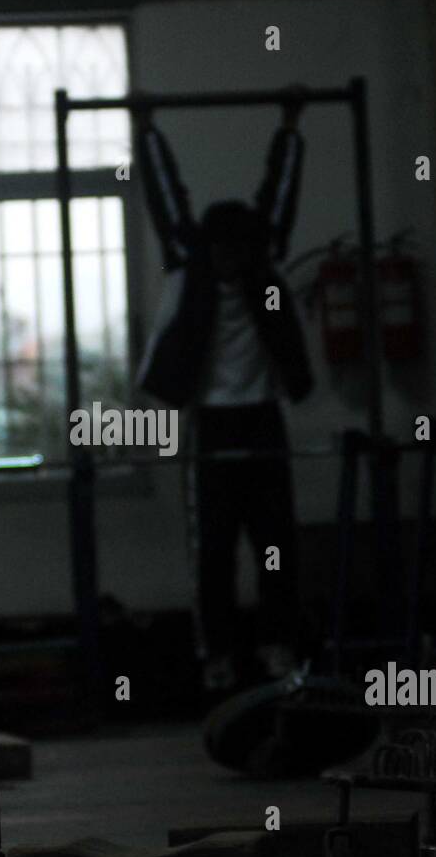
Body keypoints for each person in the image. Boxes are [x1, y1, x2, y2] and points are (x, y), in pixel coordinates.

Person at [134, 97, 314, 694]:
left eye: (241, 252)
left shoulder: (268, 267)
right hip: (211, 422)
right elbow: (166, 197)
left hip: (262, 419)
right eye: (223, 253)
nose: (232, 262)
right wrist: (146, 129)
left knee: (276, 547)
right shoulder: (188, 266)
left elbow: (279, 196)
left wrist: (289, 128)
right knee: (212, 551)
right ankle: (216, 657)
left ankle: (279, 647)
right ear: (209, 251)